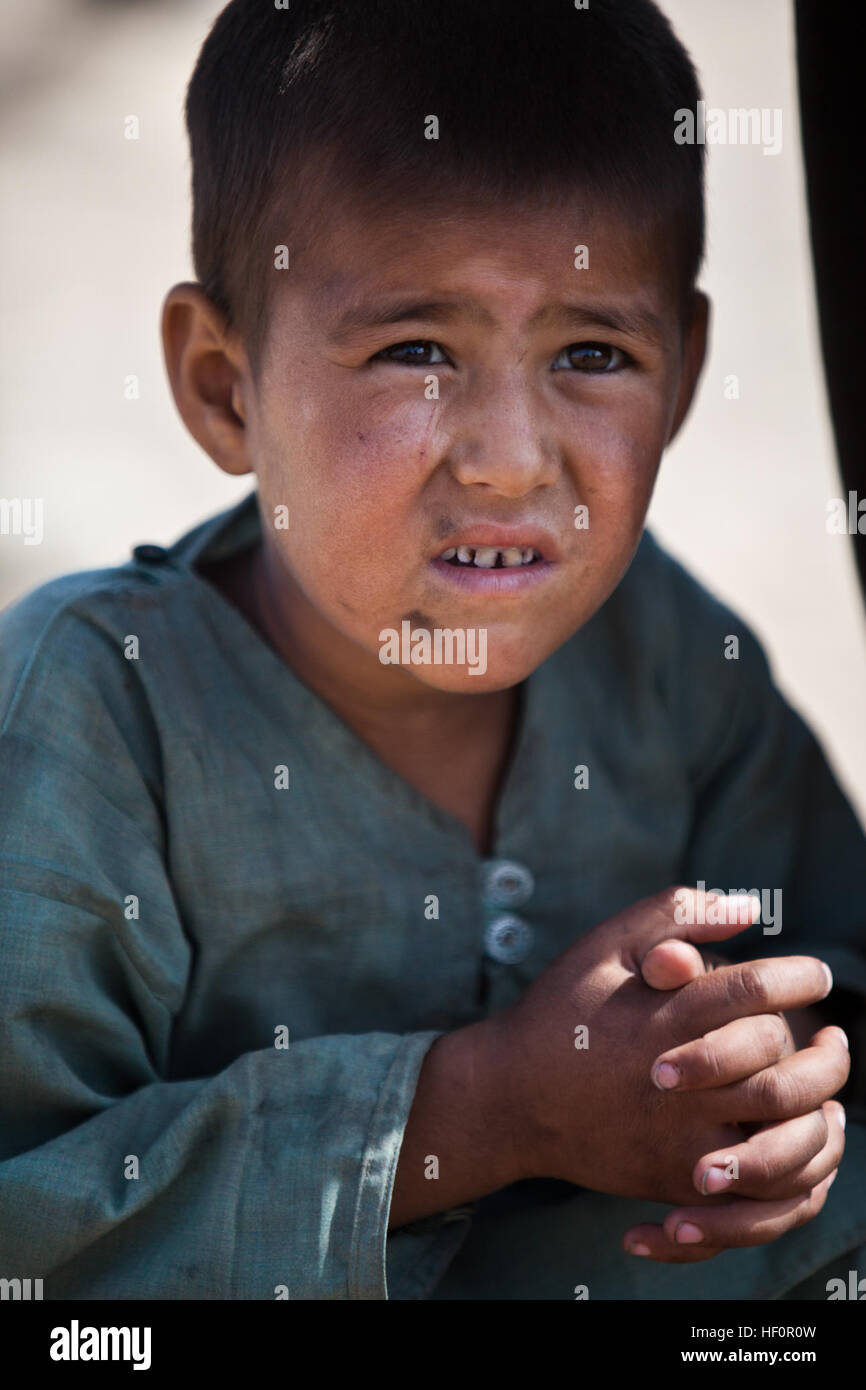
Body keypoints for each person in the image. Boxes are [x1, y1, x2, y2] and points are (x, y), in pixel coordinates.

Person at [0, 0, 863, 1301]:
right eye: (415, 353)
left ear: (680, 377)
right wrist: (480, 1111)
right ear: (224, 387)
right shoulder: (87, 712)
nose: (511, 458)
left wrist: (770, 1063)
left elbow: (831, 963)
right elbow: (28, 1223)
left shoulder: (668, 654)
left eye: (591, 352)